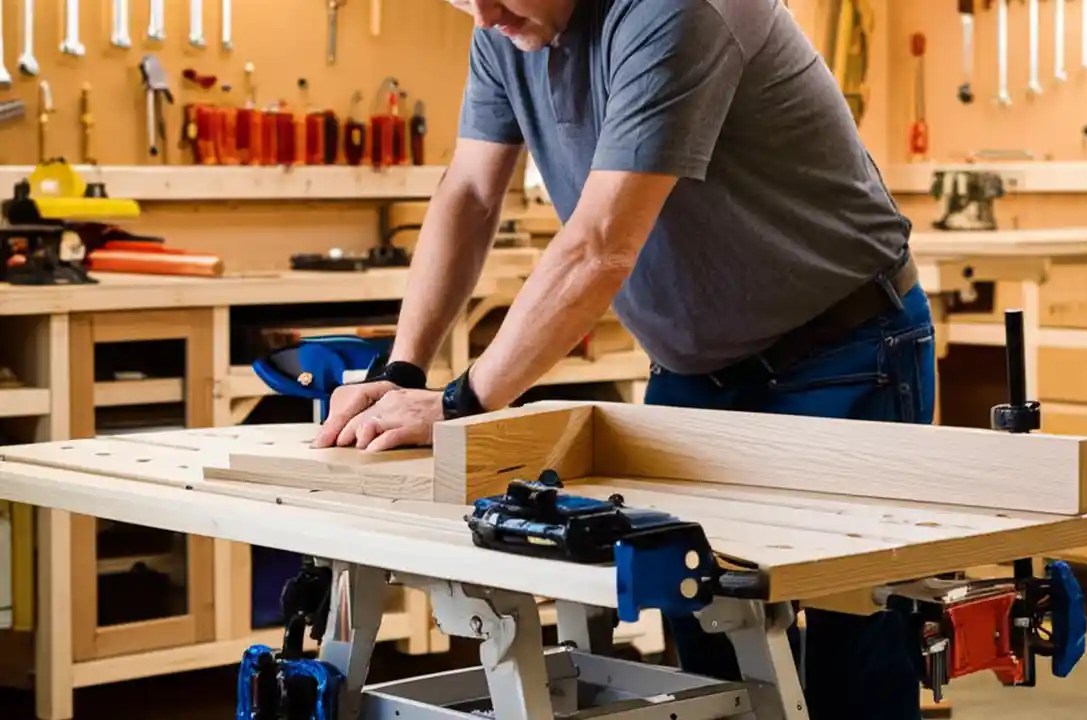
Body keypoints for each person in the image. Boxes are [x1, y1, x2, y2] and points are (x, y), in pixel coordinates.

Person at [312, 0, 936, 716]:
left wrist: (461, 404)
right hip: (697, 374)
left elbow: (599, 246)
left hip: (842, 351)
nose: (481, 16)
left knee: (852, 650)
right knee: (714, 647)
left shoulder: (679, 10)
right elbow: (472, 192)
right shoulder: (506, 29)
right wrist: (402, 372)